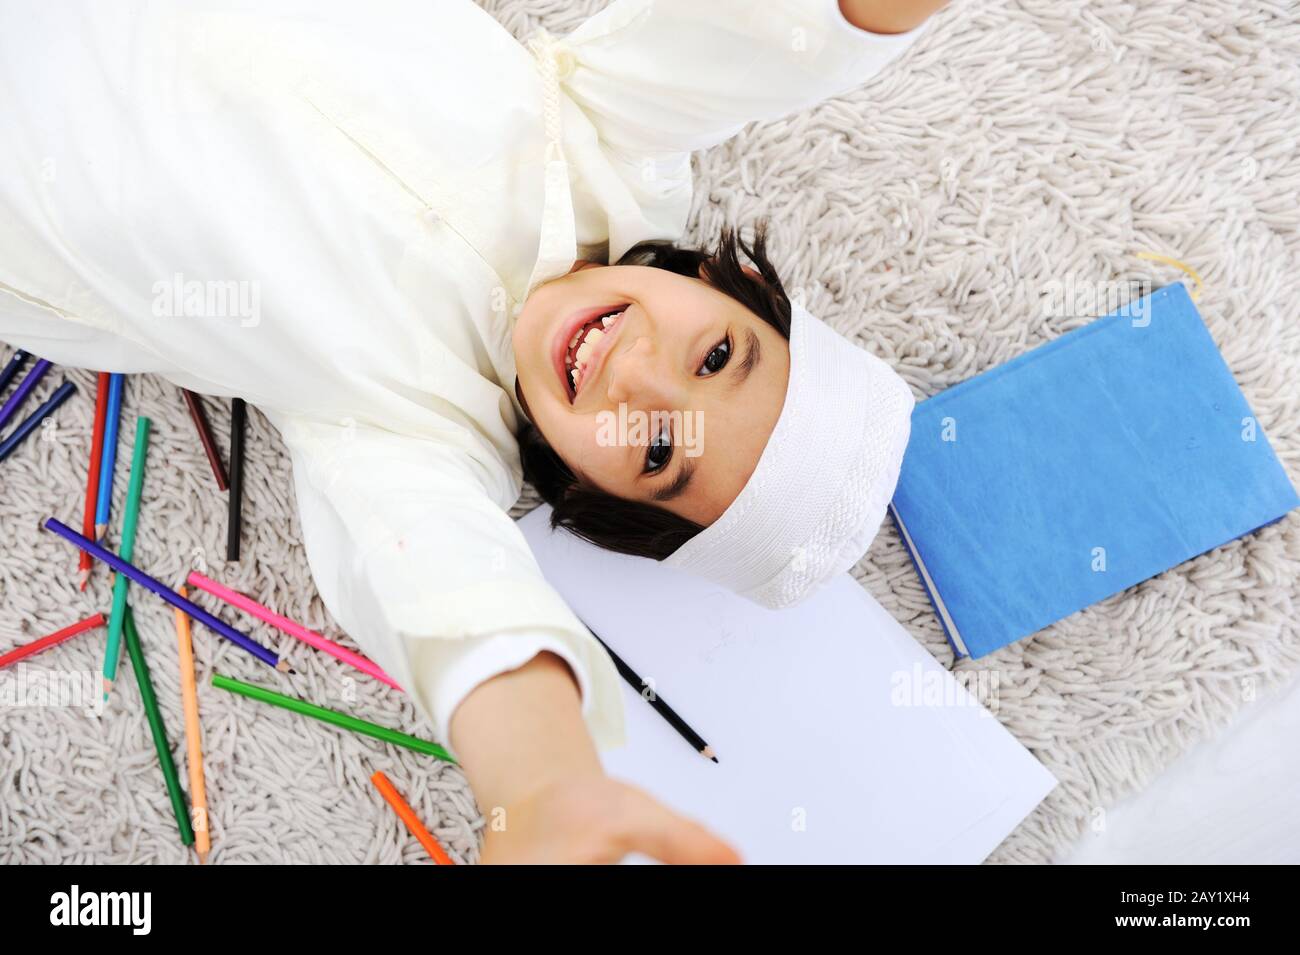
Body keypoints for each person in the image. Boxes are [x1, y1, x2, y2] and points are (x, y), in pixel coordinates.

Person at [0, 0, 945, 862]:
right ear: (721, 285)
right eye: (714, 356)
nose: (637, 371)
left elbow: (462, 604)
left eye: (659, 451)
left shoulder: (416, 440)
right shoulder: (613, 141)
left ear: (595, 499)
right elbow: (785, 39)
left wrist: (545, 788)